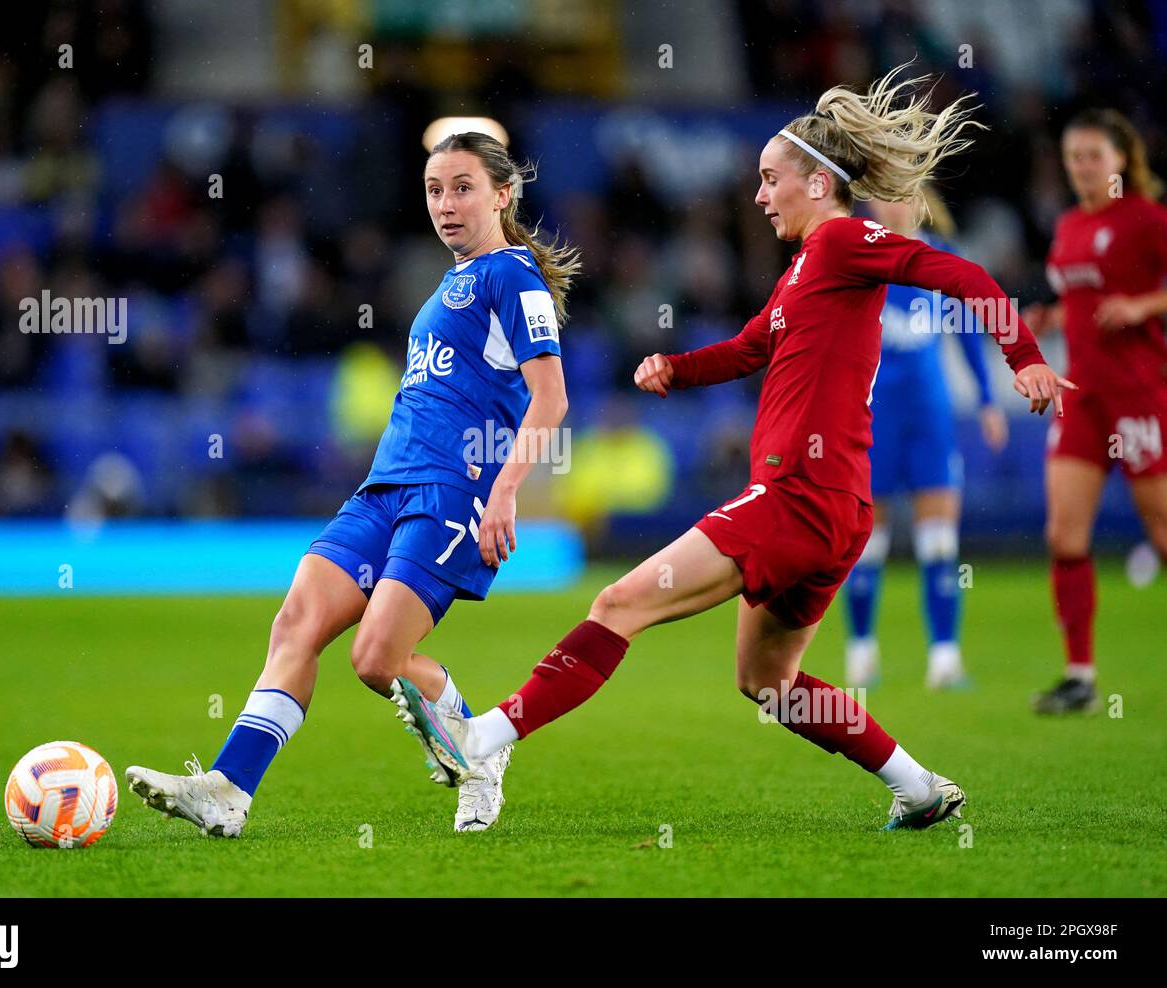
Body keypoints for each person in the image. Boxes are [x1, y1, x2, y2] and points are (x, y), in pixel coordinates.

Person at [393, 70, 1072, 830]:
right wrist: (677, 368)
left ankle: (482, 736)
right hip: (834, 508)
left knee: (620, 603)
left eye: (769, 179)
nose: (758, 195)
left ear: (818, 184)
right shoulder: (808, 269)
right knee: (768, 679)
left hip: (799, 494)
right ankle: (917, 787)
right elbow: (754, 346)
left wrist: (1024, 358)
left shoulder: (847, 238)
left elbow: (958, 272)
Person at [125, 132, 580, 834]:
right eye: (434, 190)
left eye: (463, 188)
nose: (446, 204)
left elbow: (550, 398)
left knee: (376, 658)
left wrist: (507, 489)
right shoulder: (448, 284)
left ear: (502, 194)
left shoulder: (511, 276)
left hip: (450, 494)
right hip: (384, 488)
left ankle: (479, 749)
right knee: (296, 622)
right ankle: (227, 789)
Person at [1022, 108, 1167, 714]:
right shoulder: (1070, 224)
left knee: (1161, 531)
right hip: (1080, 396)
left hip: (1138, 395)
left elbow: (1141, 294)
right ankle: (1080, 676)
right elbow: (1079, 296)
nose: (1082, 168)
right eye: (1073, 157)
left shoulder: (1145, 219)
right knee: (1064, 534)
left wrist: (1140, 307)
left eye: (1093, 157)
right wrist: (1053, 317)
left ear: (1120, 161)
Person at [842, 191, 1009, 690]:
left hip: (930, 418)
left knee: (939, 541)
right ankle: (862, 652)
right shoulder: (862, 258)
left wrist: (986, 400)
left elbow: (967, 334)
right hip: (874, 420)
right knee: (868, 543)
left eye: (901, 197)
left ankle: (944, 659)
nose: (891, 209)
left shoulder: (942, 259)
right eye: (882, 199)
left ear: (918, 199)